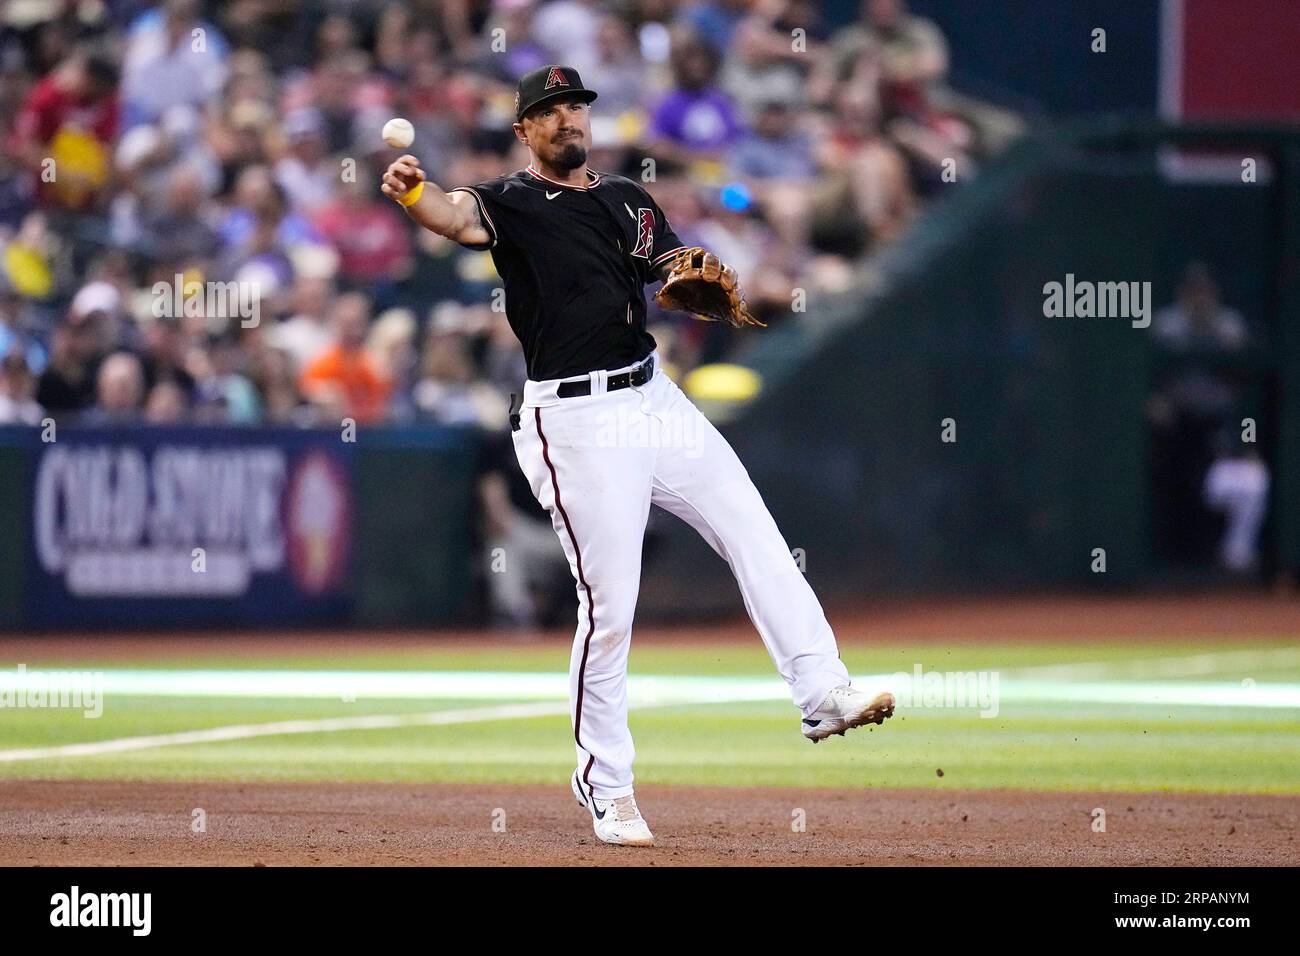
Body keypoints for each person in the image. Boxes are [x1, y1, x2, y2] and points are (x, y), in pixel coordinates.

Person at [381, 64, 895, 848]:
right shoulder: (511, 201)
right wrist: (417, 192)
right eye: (550, 111)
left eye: (576, 106)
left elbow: (673, 269)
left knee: (752, 528)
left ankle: (823, 691)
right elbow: (455, 218)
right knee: (610, 609)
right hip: (574, 419)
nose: (568, 120)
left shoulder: (628, 199)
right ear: (525, 130)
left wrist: (691, 280)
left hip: (653, 395)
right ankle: (606, 786)